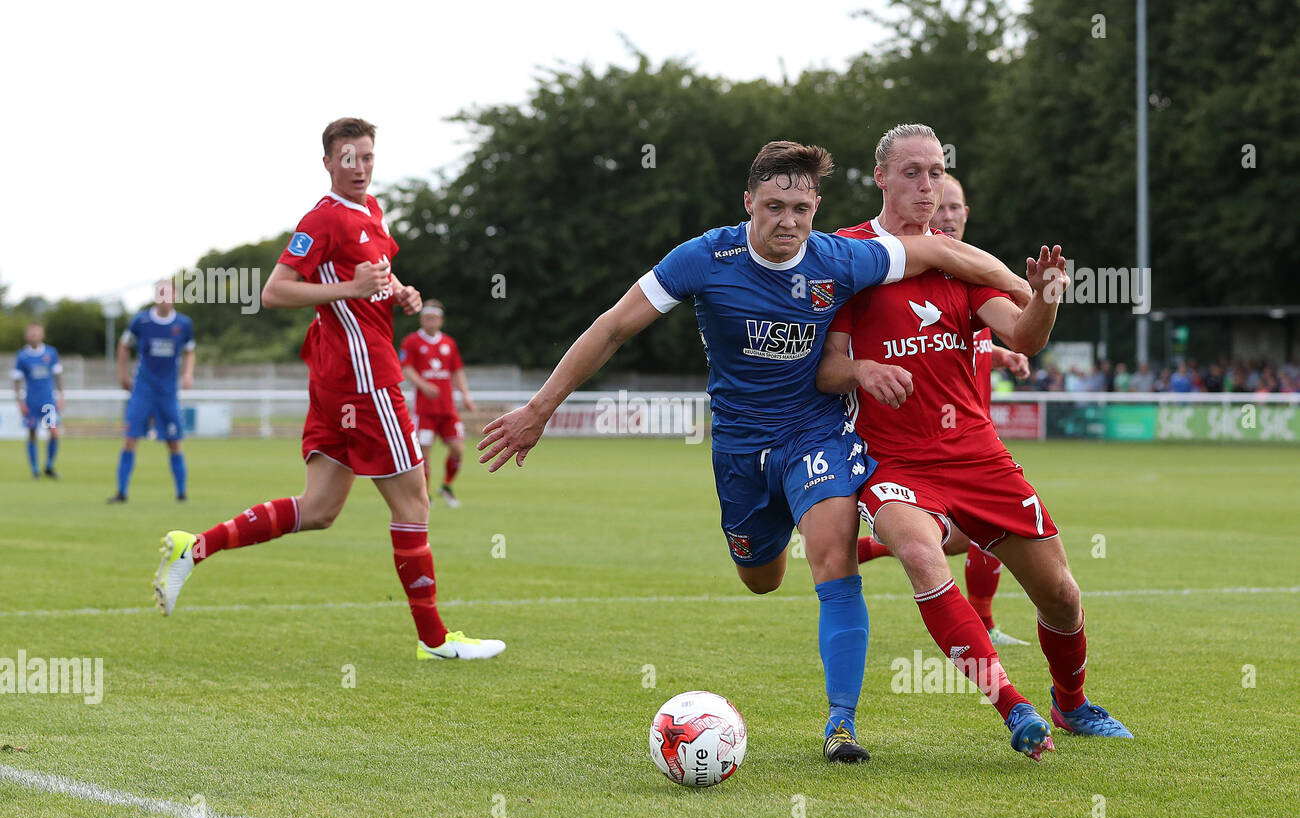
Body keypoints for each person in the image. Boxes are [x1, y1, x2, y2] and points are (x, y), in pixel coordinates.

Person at [478, 140, 1030, 762]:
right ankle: (836, 542)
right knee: (760, 578)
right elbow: (613, 327)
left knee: (831, 561)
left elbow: (941, 249)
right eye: (773, 207)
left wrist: (1022, 291)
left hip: (816, 435)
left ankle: (841, 725)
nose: (788, 222)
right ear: (748, 204)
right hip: (740, 450)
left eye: (800, 207)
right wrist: (538, 409)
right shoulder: (703, 258)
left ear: (817, 205)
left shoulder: (842, 258)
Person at [817, 124, 1132, 760]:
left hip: (977, 455)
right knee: (922, 556)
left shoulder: (962, 262)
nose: (927, 185)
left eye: (936, 171)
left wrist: (1044, 296)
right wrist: (861, 372)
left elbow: (1024, 336)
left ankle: (1070, 704)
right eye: (912, 172)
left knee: (1063, 596)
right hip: (895, 460)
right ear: (880, 177)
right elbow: (826, 367)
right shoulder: (845, 255)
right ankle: (1014, 709)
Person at [153, 117, 503, 661]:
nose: (359, 167)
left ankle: (193, 548)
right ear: (328, 163)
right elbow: (274, 292)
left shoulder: (372, 212)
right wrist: (351, 287)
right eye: (348, 158)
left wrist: (399, 291)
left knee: (318, 509)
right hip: (365, 380)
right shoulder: (322, 219)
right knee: (414, 500)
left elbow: (371, 283)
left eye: (366, 157)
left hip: (339, 379)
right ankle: (435, 640)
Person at [855, 173, 1032, 647]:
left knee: (963, 537)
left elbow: (971, 336)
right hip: (912, 441)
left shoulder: (972, 274)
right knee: (955, 539)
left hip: (973, 433)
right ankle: (985, 621)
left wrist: (1001, 351)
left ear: (966, 213)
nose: (945, 212)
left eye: (954, 206)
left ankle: (871, 549)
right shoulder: (883, 258)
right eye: (941, 204)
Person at [109, 280, 195, 502]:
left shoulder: (183, 324)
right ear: (155, 296)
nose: (164, 297)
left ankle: (181, 494)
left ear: (175, 296)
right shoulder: (141, 320)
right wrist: (122, 374)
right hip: (143, 388)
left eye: (168, 293)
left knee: (174, 441)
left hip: (167, 391)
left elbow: (189, 351)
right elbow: (124, 345)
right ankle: (121, 492)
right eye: (160, 293)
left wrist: (187, 374)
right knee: (130, 438)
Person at [399, 301, 476, 508]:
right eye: (426, 318)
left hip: (447, 409)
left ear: (441, 321)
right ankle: (425, 495)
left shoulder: (449, 343)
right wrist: (423, 385)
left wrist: (466, 395)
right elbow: (407, 369)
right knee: (423, 452)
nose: (429, 322)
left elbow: (457, 371)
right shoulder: (412, 342)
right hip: (425, 410)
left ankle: (447, 486)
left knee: (458, 449)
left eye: (433, 318)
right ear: (421, 319)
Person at [12, 323, 63, 479]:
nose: (34, 335)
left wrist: (61, 395)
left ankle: (48, 466)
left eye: (37, 333)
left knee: (54, 432)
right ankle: (35, 469)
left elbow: (58, 376)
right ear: (27, 336)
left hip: (48, 401)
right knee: (32, 433)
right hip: (31, 401)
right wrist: (20, 402)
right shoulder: (22, 356)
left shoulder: (51, 353)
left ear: (43, 335)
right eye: (31, 333)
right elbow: (16, 381)